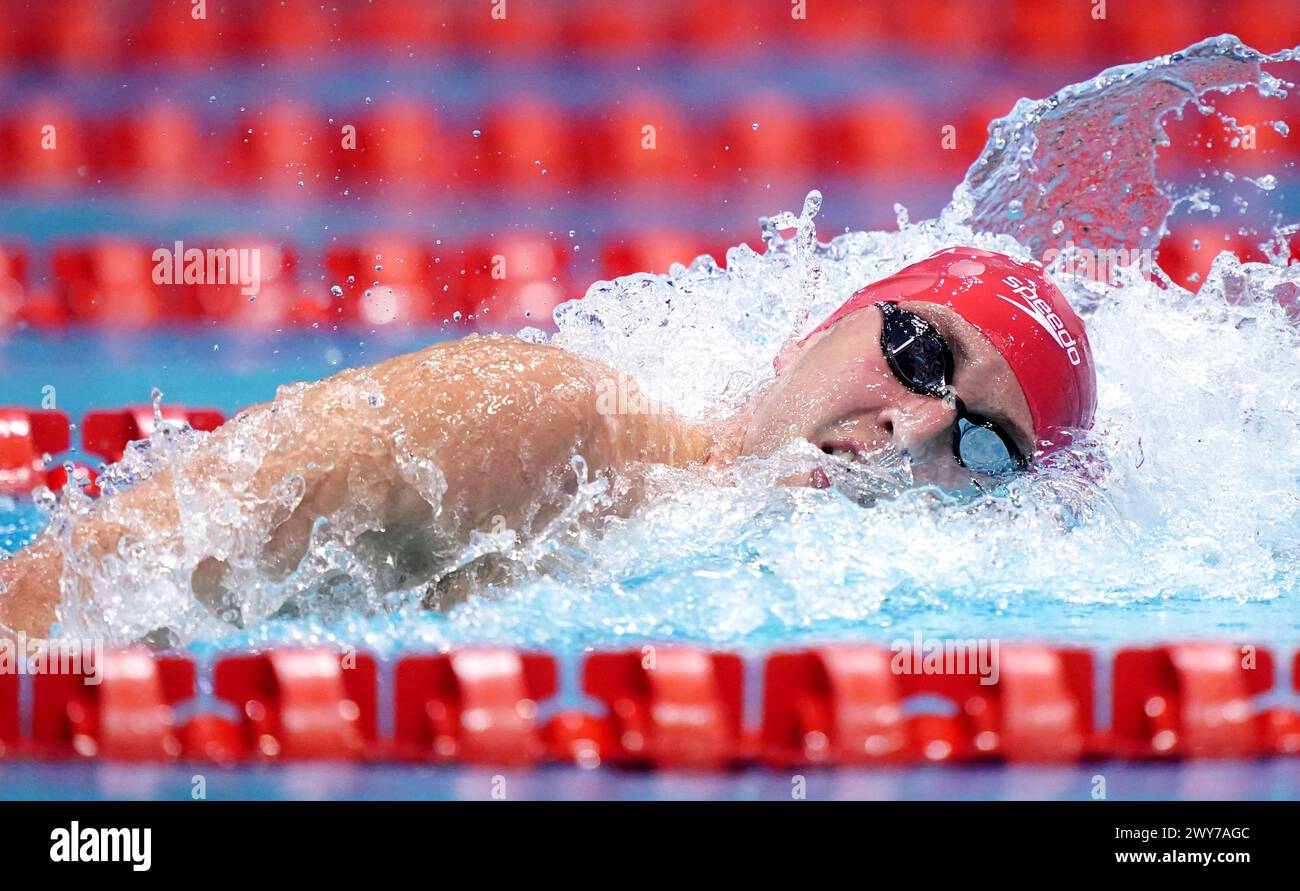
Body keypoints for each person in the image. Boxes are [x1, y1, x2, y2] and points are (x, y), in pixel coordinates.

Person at [0, 247, 1096, 636]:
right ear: (826, 318)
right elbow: (80, 596)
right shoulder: (547, 424)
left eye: (987, 449)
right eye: (917, 351)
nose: (915, 429)